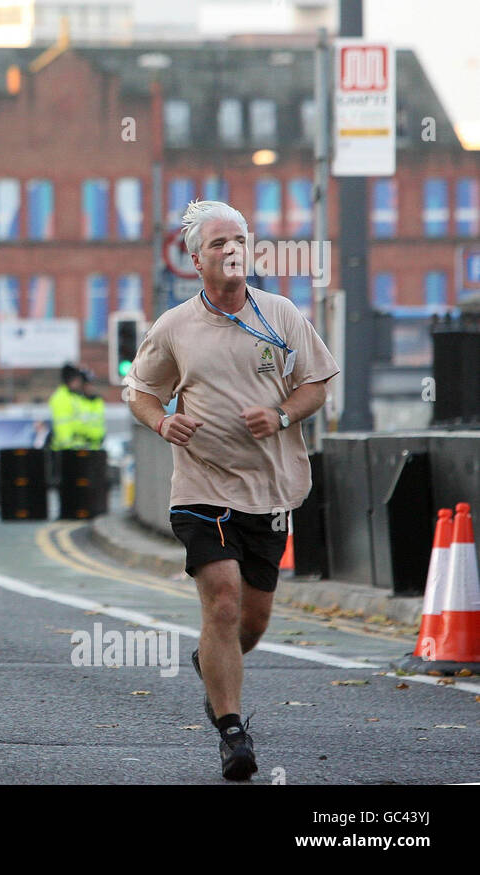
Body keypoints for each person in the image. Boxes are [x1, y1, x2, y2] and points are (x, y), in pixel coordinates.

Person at [123, 200, 338, 780]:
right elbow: (139, 391)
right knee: (221, 599)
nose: (231, 249)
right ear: (196, 259)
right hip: (200, 488)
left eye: (239, 239)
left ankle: (212, 666)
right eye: (218, 243)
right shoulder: (174, 327)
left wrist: (284, 416)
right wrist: (164, 422)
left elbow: (316, 382)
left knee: (252, 623)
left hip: (268, 490)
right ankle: (232, 733)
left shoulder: (281, 315)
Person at [48, 364, 104, 451]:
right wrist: (69, 448)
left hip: (85, 448)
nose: (79, 383)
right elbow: (63, 428)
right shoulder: (63, 398)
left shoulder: (77, 397)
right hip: (69, 450)